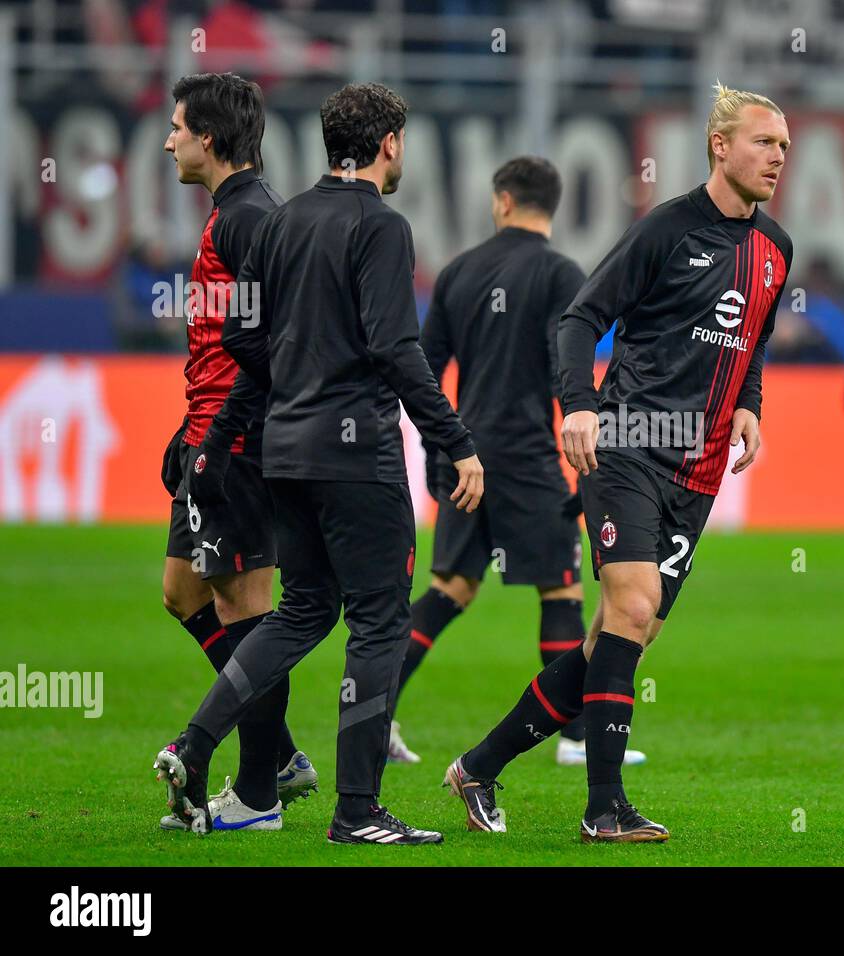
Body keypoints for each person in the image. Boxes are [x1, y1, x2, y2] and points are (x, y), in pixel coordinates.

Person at [443, 83, 792, 843]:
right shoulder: (665, 231)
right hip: (627, 443)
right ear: (720, 146)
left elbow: (754, 336)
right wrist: (579, 405)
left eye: (785, 147)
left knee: (619, 640)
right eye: (764, 143)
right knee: (630, 608)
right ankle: (605, 809)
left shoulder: (776, 252)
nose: (777, 158)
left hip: (697, 474)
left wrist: (750, 402)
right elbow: (581, 317)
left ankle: (479, 765)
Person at [153, 82, 484, 846]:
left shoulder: (284, 219)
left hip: (282, 452)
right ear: (390, 144)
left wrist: (228, 430)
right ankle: (357, 811)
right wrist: (454, 440)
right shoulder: (382, 227)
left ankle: (195, 745)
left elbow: (242, 341)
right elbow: (396, 348)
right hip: (354, 453)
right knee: (377, 621)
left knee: (301, 610)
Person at [389, 155, 644, 769]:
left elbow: (424, 365)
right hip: (528, 455)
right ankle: (577, 738)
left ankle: (377, 715)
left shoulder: (457, 272)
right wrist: (579, 448)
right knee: (560, 587)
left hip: (467, 455)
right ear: (549, 207)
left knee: (449, 588)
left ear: (502, 200)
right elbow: (568, 366)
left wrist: (437, 450)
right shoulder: (561, 274)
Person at [158, 71, 316, 832]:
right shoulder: (231, 214)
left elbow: (278, 345)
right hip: (209, 432)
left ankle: (258, 794)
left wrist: (222, 438)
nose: (169, 140)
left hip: (243, 443)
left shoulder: (252, 218)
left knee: (246, 608)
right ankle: (280, 752)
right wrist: (186, 432)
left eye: (179, 127)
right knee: (183, 594)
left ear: (210, 139)